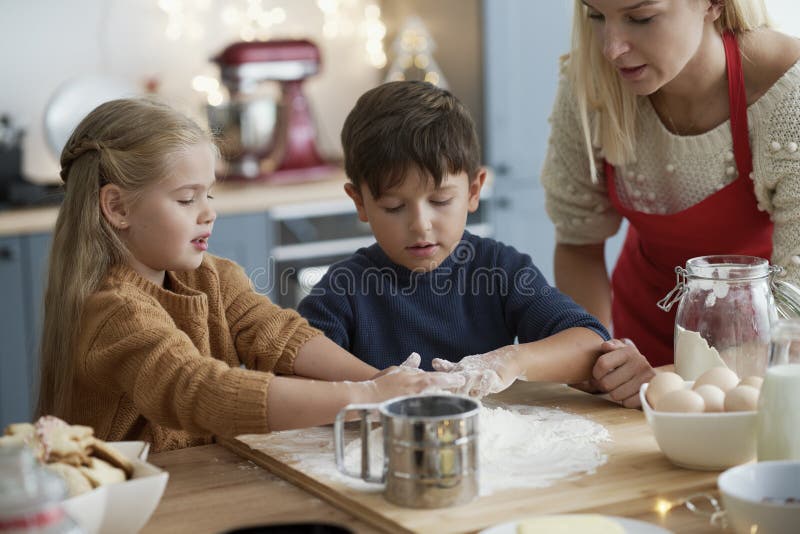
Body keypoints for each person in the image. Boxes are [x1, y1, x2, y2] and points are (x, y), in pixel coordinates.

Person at [35, 98, 464, 452]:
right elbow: (198, 390)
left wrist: (374, 380)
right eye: (187, 199)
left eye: (209, 194)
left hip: (191, 489)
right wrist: (364, 399)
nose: (209, 212)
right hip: (121, 506)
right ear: (118, 208)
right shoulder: (114, 312)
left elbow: (277, 333)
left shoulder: (213, 277)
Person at [542, 0, 800, 392]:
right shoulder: (591, 82)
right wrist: (595, 352)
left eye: (640, 18)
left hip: (764, 346)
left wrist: (685, 383)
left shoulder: (785, 89)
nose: (612, 48)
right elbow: (579, 246)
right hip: (638, 339)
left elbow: (794, 307)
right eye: (596, 15)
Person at [298, 80, 611, 400]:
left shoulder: (500, 270)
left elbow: (590, 344)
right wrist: (377, 386)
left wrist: (511, 361)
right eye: (394, 207)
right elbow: (294, 372)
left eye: (441, 200)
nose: (420, 225)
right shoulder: (342, 290)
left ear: (474, 191)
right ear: (360, 203)